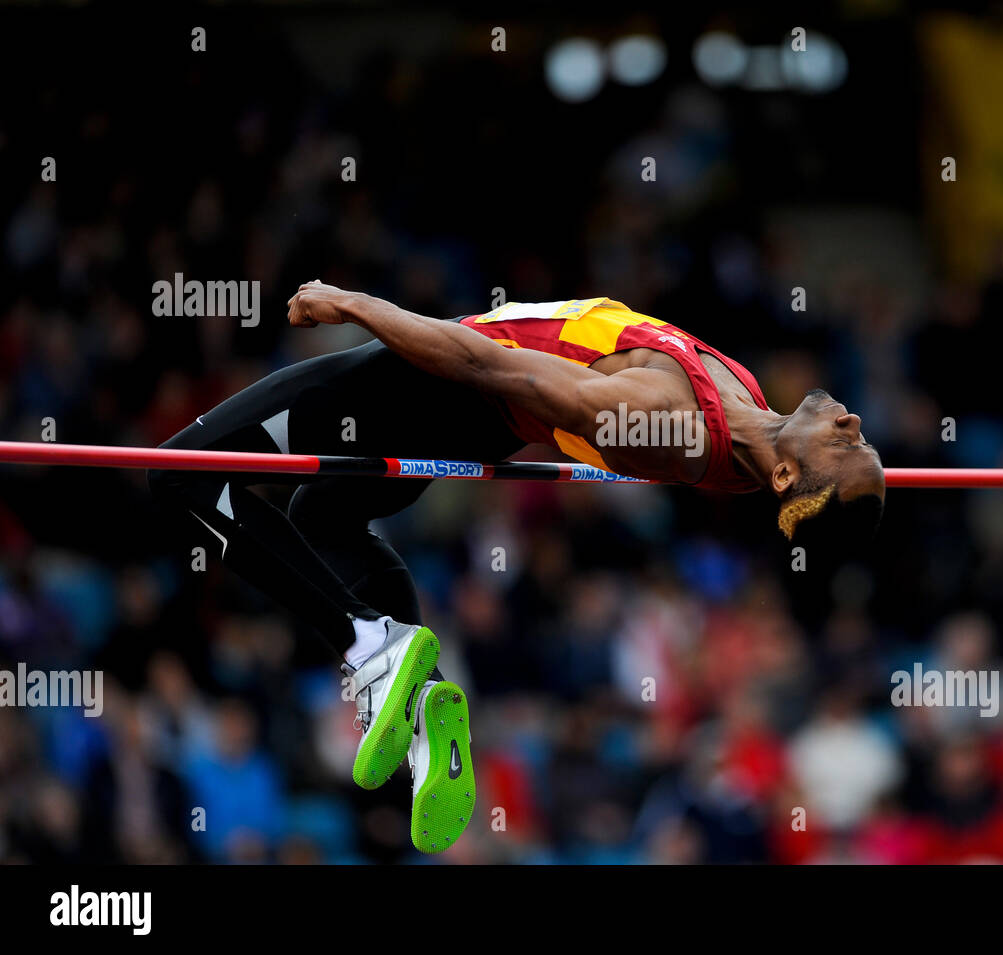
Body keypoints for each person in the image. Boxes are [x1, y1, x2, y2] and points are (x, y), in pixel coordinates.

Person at [148, 283, 886, 853]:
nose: (854, 426)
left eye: (848, 453)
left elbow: (493, 367)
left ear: (789, 479)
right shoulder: (751, 408)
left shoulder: (675, 422)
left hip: (428, 390)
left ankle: (370, 644)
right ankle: (425, 710)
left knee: (182, 473)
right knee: (322, 516)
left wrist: (354, 303)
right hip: (460, 414)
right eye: (860, 441)